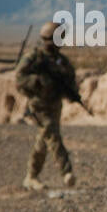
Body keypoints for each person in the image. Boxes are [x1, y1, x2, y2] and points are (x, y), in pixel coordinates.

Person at [16, 21, 79, 191]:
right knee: (53, 135)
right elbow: (19, 79)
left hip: (54, 105)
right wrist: (38, 82)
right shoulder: (34, 58)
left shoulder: (61, 61)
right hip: (38, 105)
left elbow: (70, 81)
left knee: (44, 141)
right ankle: (67, 172)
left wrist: (72, 93)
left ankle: (31, 176)